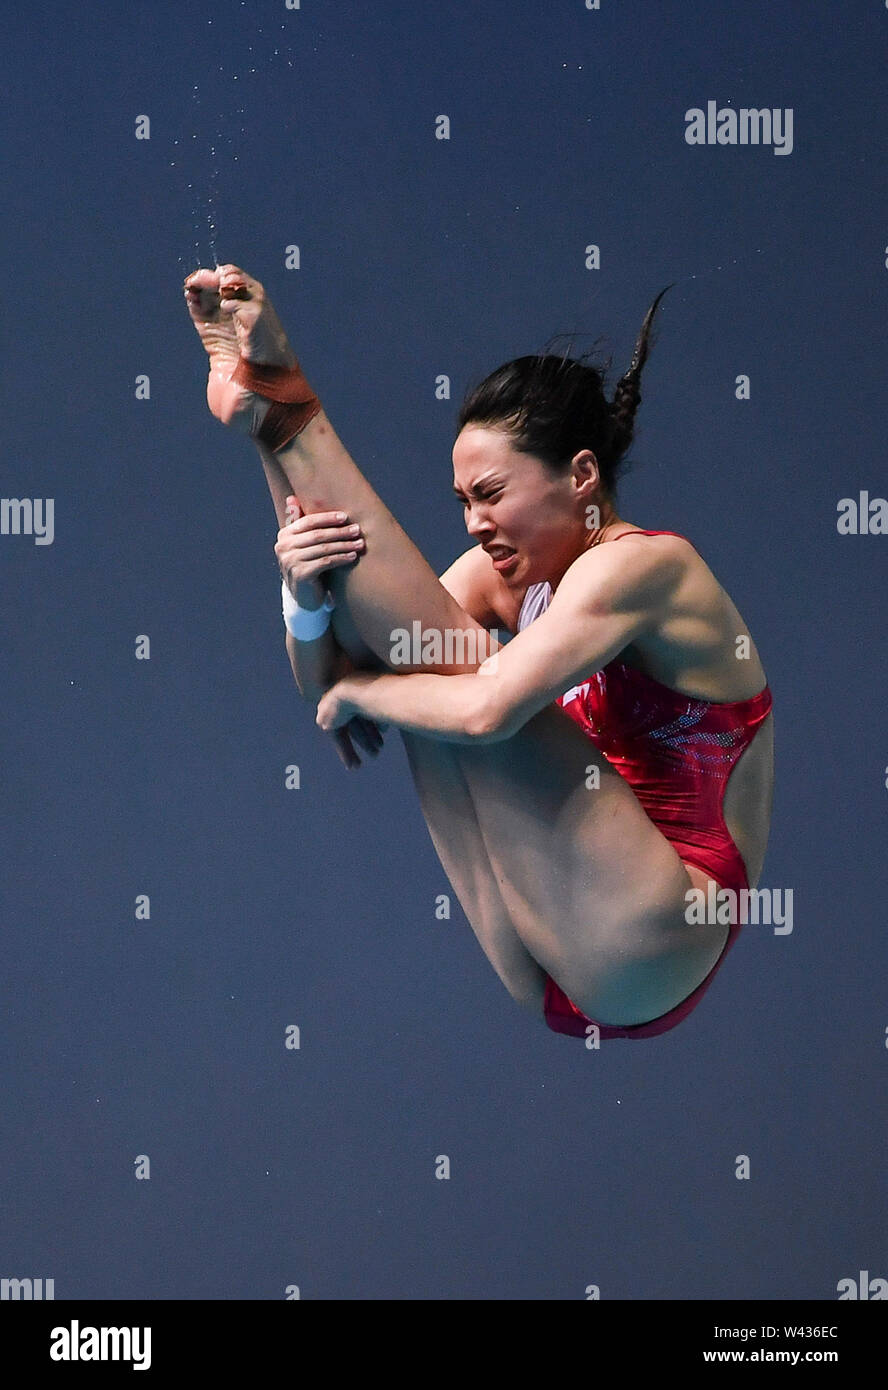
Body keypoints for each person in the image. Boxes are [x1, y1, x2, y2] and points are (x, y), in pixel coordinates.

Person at [183, 264, 774, 1041]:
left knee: (448, 680)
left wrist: (364, 696)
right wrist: (301, 594)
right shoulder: (510, 578)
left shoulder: (646, 567)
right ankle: (272, 425)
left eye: (491, 495)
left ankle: (289, 407)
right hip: (556, 959)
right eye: (463, 502)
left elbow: (483, 710)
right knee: (415, 653)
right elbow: (331, 675)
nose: (473, 524)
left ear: (582, 477)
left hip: (661, 926)